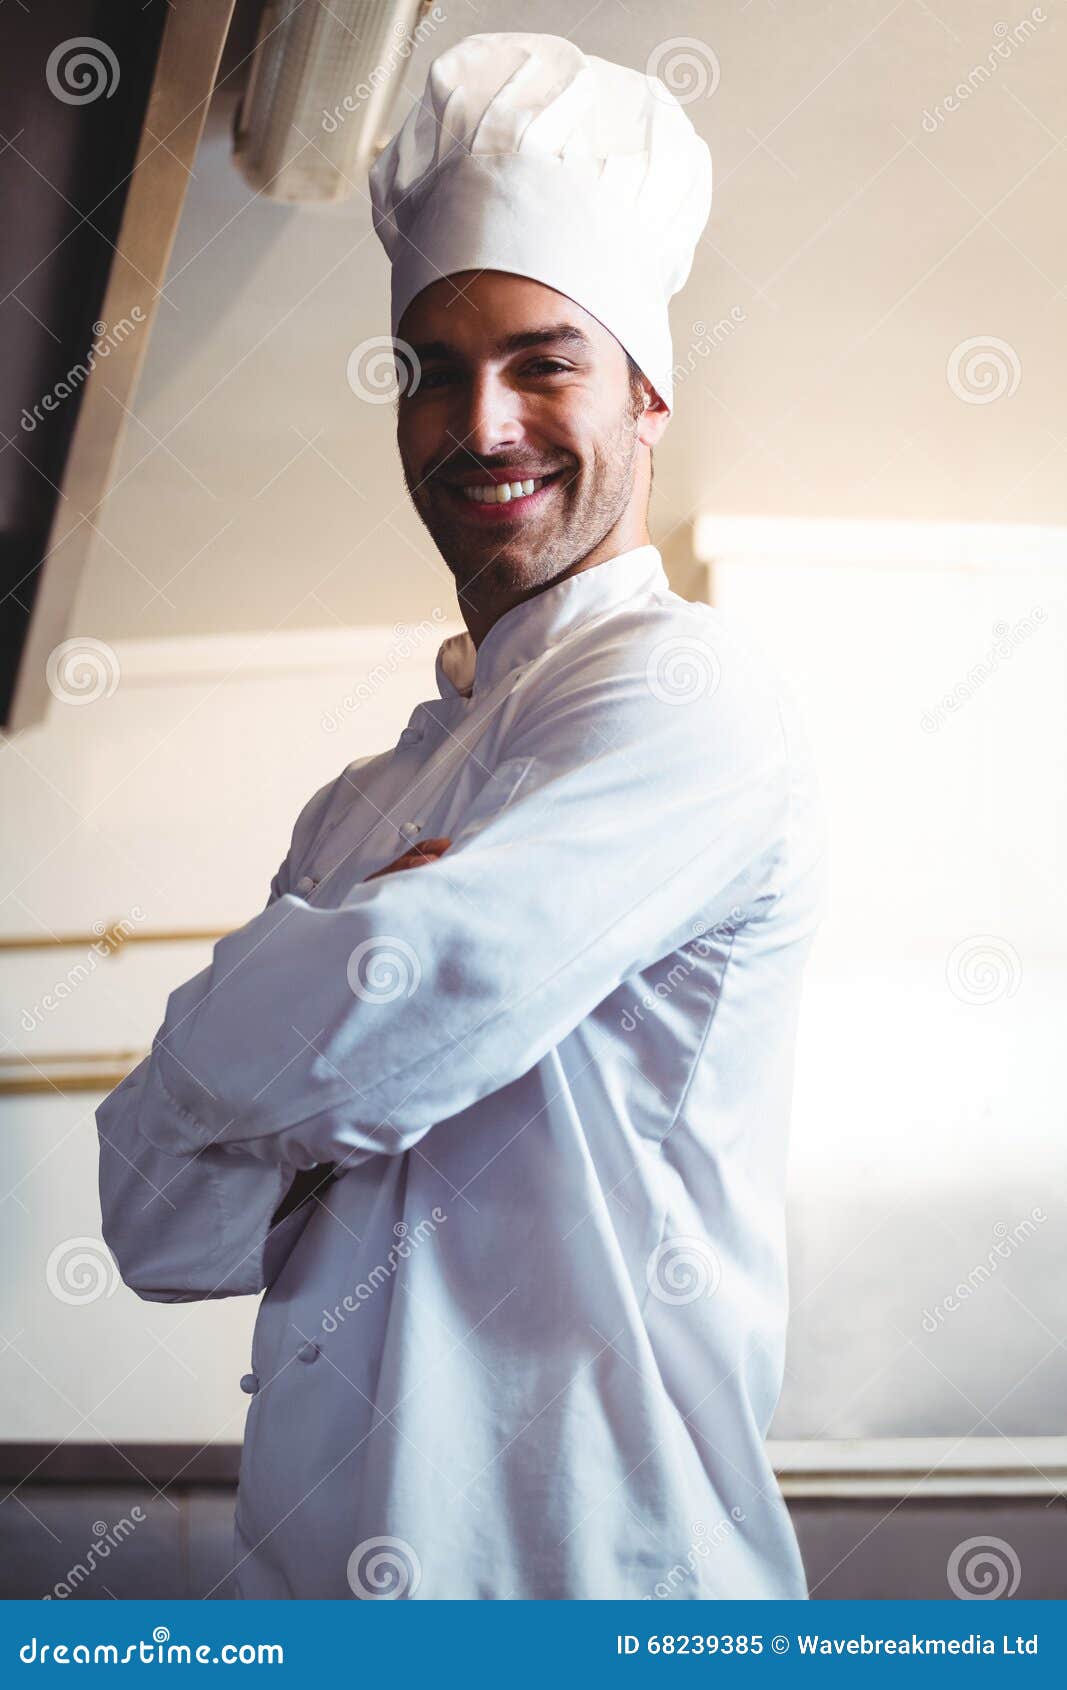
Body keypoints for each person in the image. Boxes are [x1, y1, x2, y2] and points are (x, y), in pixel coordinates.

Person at [96, 31, 827, 1601]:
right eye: (431, 371)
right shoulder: (364, 802)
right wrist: (357, 981)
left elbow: (412, 1002)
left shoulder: (692, 701)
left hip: (608, 1589)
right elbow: (149, 1211)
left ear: (646, 390)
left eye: (541, 360)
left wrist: (299, 1002)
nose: (478, 422)